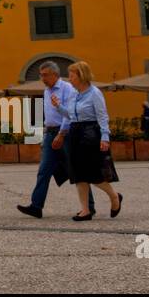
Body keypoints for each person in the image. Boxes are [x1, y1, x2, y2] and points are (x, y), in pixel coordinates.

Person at [18, 61, 93, 219]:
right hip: (50, 133)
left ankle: (90, 206)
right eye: (41, 75)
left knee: (76, 171)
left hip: (65, 134)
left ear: (55, 75)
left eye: (45, 75)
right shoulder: (46, 91)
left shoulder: (67, 88)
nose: (42, 78)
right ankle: (36, 206)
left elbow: (69, 113)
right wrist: (47, 133)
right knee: (44, 170)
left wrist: (62, 133)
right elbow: (51, 115)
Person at [62, 61, 122, 221]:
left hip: (90, 134)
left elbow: (102, 116)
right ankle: (85, 210)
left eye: (72, 76)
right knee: (78, 174)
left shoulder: (94, 93)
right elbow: (70, 115)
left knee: (94, 173)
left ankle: (114, 196)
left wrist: (105, 137)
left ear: (81, 76)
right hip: (75, 133)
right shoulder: (74, 94)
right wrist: (58, 107)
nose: (70, 79)